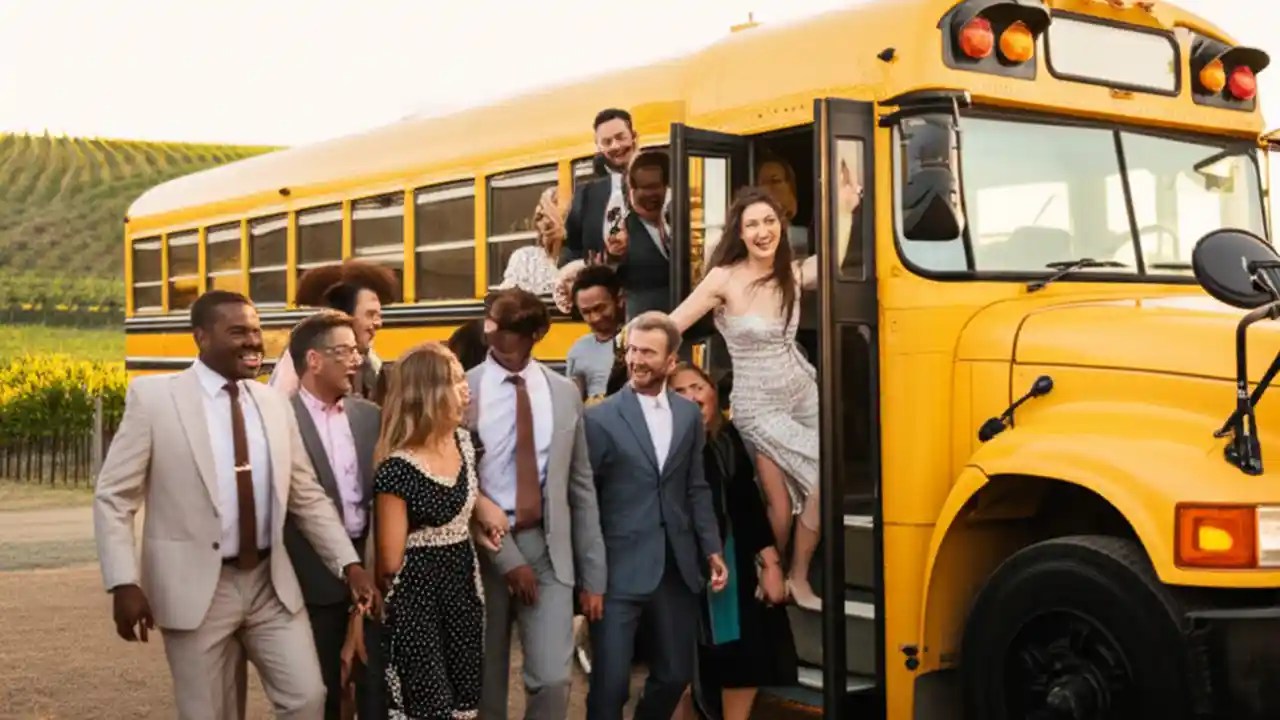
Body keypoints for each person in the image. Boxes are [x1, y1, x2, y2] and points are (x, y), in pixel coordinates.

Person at [93, 289, 378, 720]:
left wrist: (348, 564)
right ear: (202, 337)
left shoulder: (272, 404)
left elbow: (305, 495)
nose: (252, 341)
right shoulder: (154, 400)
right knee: (211, 712)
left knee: (307, 698)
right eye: (238, 332)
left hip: (270, 584)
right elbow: (115, 497)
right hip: (197, 590)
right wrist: (122, 583)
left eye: (257, 331)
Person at [667, 185, 843, 610]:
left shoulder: (791, 274)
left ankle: (792, 576)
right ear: (740, 233)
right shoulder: (724, 278)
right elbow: (674, 322)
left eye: (770, 221)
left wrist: (847, 207)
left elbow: (835, 261)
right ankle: (779, 574)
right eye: (752, 225)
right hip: (758, 405)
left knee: (806, 492)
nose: (763, 231)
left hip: (804, 392)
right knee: (802, 492)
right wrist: (642, 348)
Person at [466, 287, 607, 720]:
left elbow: (580, 487)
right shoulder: (463, 389)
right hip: (480, 553)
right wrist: (506, 557)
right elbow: (455, 484)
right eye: (492, 328)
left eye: (510, 332)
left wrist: (594, 574)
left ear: (537, 335)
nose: (496, 340)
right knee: (484, 686)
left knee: (553, 679)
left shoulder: (564, 392)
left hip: (549, 552)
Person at [583, 310, 728, 720]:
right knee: (610, 687)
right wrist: (588, 574)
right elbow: (585, 500)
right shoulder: (598, 417)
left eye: (648, 352)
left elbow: (695, 488)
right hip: (615, 571)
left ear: (670, 362)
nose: (636, 359)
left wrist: (711, 548)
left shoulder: (687, 417)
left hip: (675, 568)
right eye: (631, 349)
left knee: (675, 674)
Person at [371, 341, 505, 720]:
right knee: (428, 705)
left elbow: (459, 511)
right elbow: (390, 562)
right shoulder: (396, 469)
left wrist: (474, 529)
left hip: (463, 588)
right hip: (417, 599)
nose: (466, 388)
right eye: (454, 380)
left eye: (464, 377)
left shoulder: (463, 442)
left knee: (465, 701)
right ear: (427, 393)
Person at [669, 363, 797, 720]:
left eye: (696, 387)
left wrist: (771, 563)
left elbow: (747, 505)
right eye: (678, 392)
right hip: (680, 564)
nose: (691, 397)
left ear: (713, 392)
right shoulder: (665, 447)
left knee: (742, 652)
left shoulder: (729, 442)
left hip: (731, 561)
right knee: (681, 661)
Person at [280, 310, 383, 720]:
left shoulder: (370, 417)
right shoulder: (280, 417)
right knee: (323, 690)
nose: (356, 360)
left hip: (371, 569)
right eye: (344, 351)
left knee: (374, 688)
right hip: (312, 576)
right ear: (313, 361)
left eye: (357, 351)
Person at [270, 259, 399, 400]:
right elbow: (279, 405)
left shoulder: (368, 361)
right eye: (370, 315)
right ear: (342, 314)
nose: (378, 323)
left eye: (379, 315)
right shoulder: (298, 358)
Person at [560, 108, 638, 267]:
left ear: (634, 137)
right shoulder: (585, 195)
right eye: (607, 142)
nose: (616, 146)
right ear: (599, 147)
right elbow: (569, 251)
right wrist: (583, 267)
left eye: (620, 137)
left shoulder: (660, 179)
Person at [565, 264, 627, 402]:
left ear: (619, 299)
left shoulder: (638, 341)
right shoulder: (579, 350)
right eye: (586, 312)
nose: (595, 317)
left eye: (600, 308)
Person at [500, 186, 569, 302]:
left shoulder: (578, 258)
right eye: (539, 217)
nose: (546, 222)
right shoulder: (524, 257)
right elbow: (507, 297)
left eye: (551, 215)